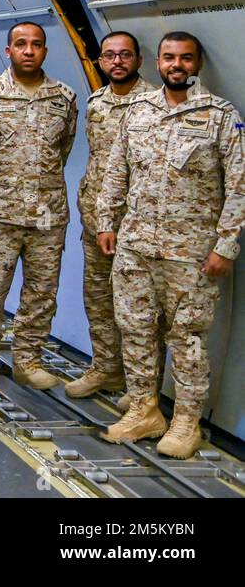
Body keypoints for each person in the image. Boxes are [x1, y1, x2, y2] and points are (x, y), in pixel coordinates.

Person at [97, 32, 243, 459]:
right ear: (157, 62)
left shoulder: (220, 115)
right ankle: (144, 410)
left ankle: (185, 421)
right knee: (136, 330)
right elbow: (116, 169)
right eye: (168, 58)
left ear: (197, 63)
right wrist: (107, 220)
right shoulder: (139, 111)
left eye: (185, 58)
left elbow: (239, 186)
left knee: (188, 337)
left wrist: (226, 246)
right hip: (136, 246)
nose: (176, 65)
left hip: (191, 254)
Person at [0, 21, 78, 394]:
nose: (28, 50)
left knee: (41, 293)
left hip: (47, 217)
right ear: (8, 51)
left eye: (36, 45)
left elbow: (61, 152)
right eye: (20, 44)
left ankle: (28, 360)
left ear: (45, 51)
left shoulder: (64, 98)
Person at [66, 31, 156, 401]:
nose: (117, 62)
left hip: (137, 226)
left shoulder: (153, 104)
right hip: (96, 222)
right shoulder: (96, 102)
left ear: (138, 60)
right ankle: (105, 368)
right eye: (109, 56)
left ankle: (142, 390)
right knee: (99, 299)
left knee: (141, 312)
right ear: (100, 62)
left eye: (124, 55)